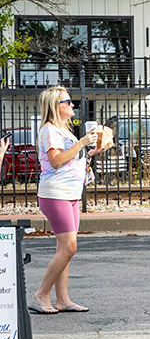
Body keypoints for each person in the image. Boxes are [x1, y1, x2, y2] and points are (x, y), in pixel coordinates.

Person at [31, 86, 109, 314]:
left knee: (64, 248)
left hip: (70, 193)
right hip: (56, 194)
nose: (72, 105)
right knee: (69, 247)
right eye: (68, 101)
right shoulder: (49, 130)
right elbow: (56, 161)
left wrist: (92, 151)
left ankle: (63, 299)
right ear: (57, 106)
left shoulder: (63, 130)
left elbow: (71, 157)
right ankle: (41, 293)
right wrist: (82, 143)